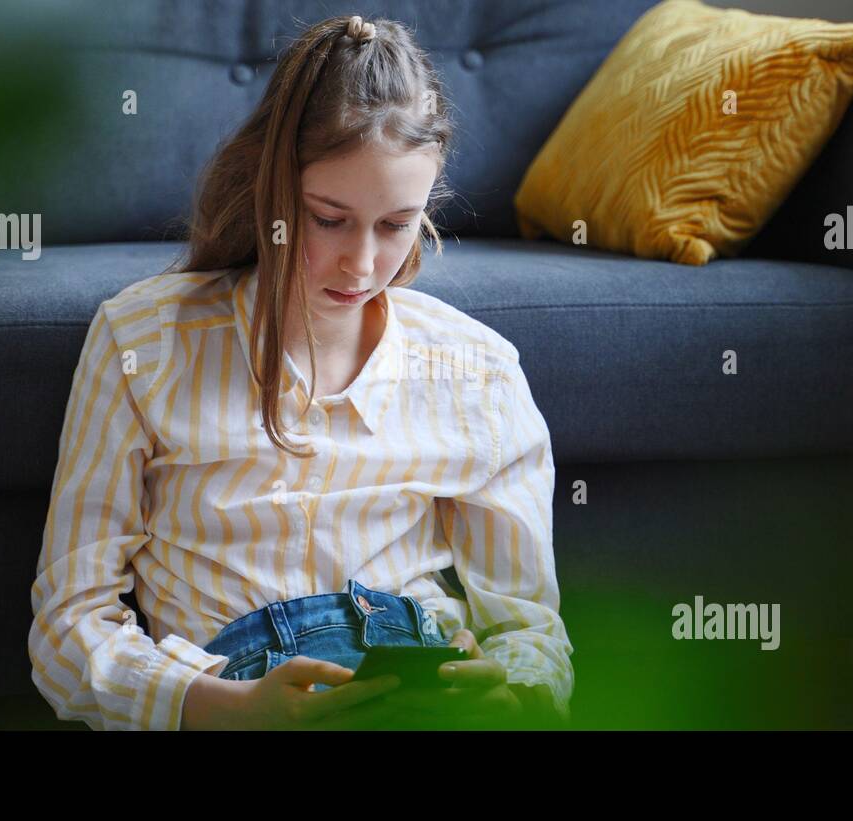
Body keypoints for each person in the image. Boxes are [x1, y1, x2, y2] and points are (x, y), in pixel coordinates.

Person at [28, 14, 574, 731]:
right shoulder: (143, 340)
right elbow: (70, 623)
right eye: (328, 219)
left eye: (396, 224)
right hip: (234, 683)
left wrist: (512, 691)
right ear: (273, 188)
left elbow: (531, 630)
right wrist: (223, 707)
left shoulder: (481, 373)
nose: (362, 265)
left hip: (418, 680)